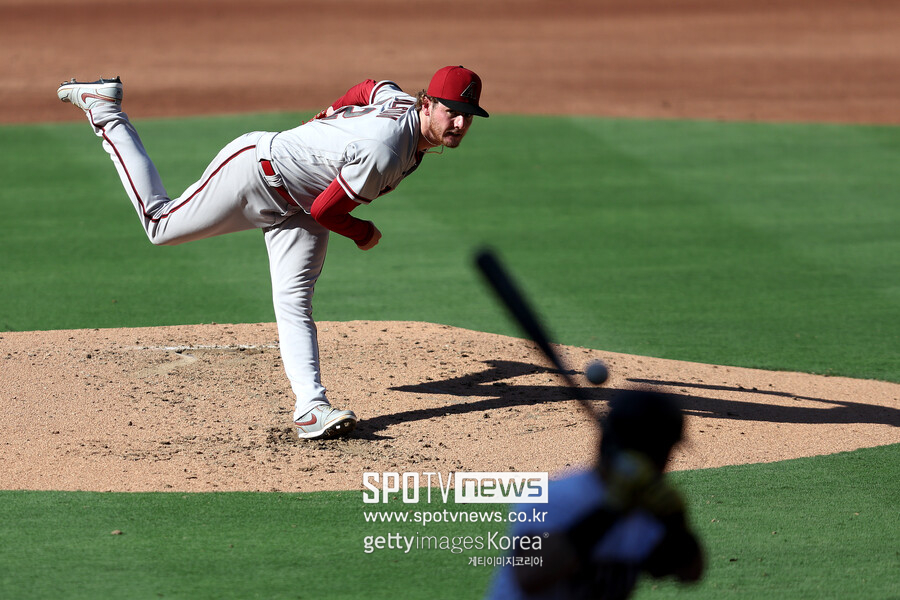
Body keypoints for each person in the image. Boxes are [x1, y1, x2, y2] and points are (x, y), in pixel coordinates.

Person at [56, 66, 489, 440]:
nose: (459, 123)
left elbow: (369, 88)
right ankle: (105, 110)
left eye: (467, 116)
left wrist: (319, 124)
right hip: (254, 174)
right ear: (427, 103)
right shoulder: (386, 150)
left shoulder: (401, 106)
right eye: (451, 111)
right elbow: (327, 211)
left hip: (298, 203)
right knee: (160, 226)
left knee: (295, 300)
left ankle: (311, 409)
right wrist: (363, 232)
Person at [486, 389, 705, 599]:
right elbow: (530, 576)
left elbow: (690, 572)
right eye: (665, 452)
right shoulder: (553, 497)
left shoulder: (648, 507)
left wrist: (676, 523)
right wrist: (611, 510)